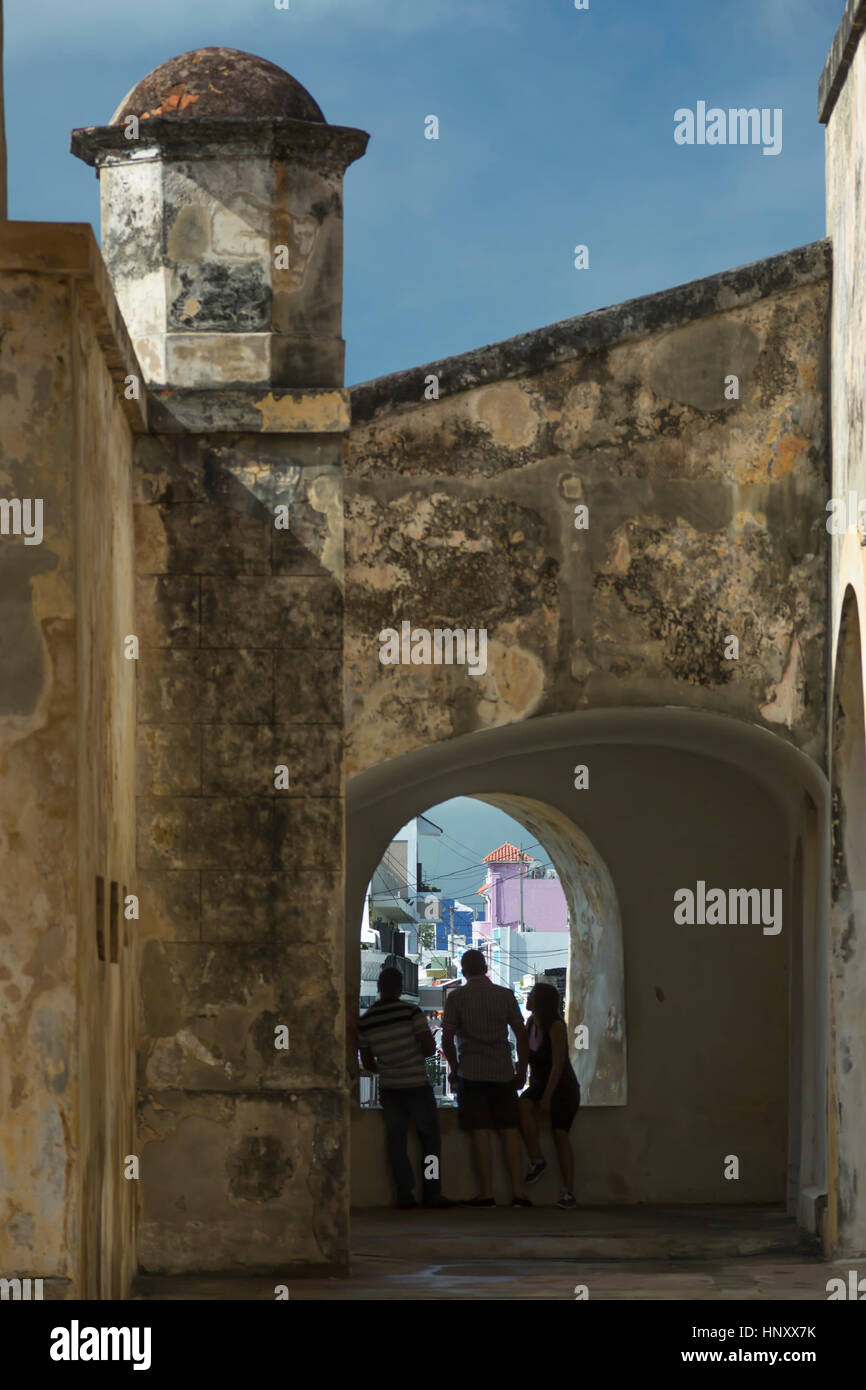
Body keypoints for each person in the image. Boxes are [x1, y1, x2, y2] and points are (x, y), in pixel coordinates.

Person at [441, 949, 531, 1207]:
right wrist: (521, 1070)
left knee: (480, 1132)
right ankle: (518, 1193)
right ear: (486, 967)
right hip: (502, 1072)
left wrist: (454, 1068)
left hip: (471, 1073)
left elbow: (447, 1039)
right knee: (509, 1131)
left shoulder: (457, 998)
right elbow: (521, 1035)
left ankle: (486, 1194)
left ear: (464, 970)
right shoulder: (505, 996)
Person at [357, 967, 452, 1210]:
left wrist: (388, 1063)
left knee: (396, 1143)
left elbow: (368, 1063)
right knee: (430, 1141)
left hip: (390, 1088)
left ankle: (404, 1195)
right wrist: (410, 1057)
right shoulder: (411, 1012)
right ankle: (432, 1194)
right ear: (400, 988)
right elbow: (430, 1048)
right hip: (417, 1085)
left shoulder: (366, 1021)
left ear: (379, 987)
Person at [517, 982, 580, 1209]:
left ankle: (568, 1192)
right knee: (522, 1106)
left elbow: (558, 1065)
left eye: (532, 994)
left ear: (541, 1001)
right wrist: (520, 1076)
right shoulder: (531, 1023)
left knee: (560, 1134)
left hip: (563, 1086)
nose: (528, 997)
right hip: (540, 1083)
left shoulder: (556, 1026)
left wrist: (547, 1098)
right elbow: (524, 1056)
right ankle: (538, 1159)